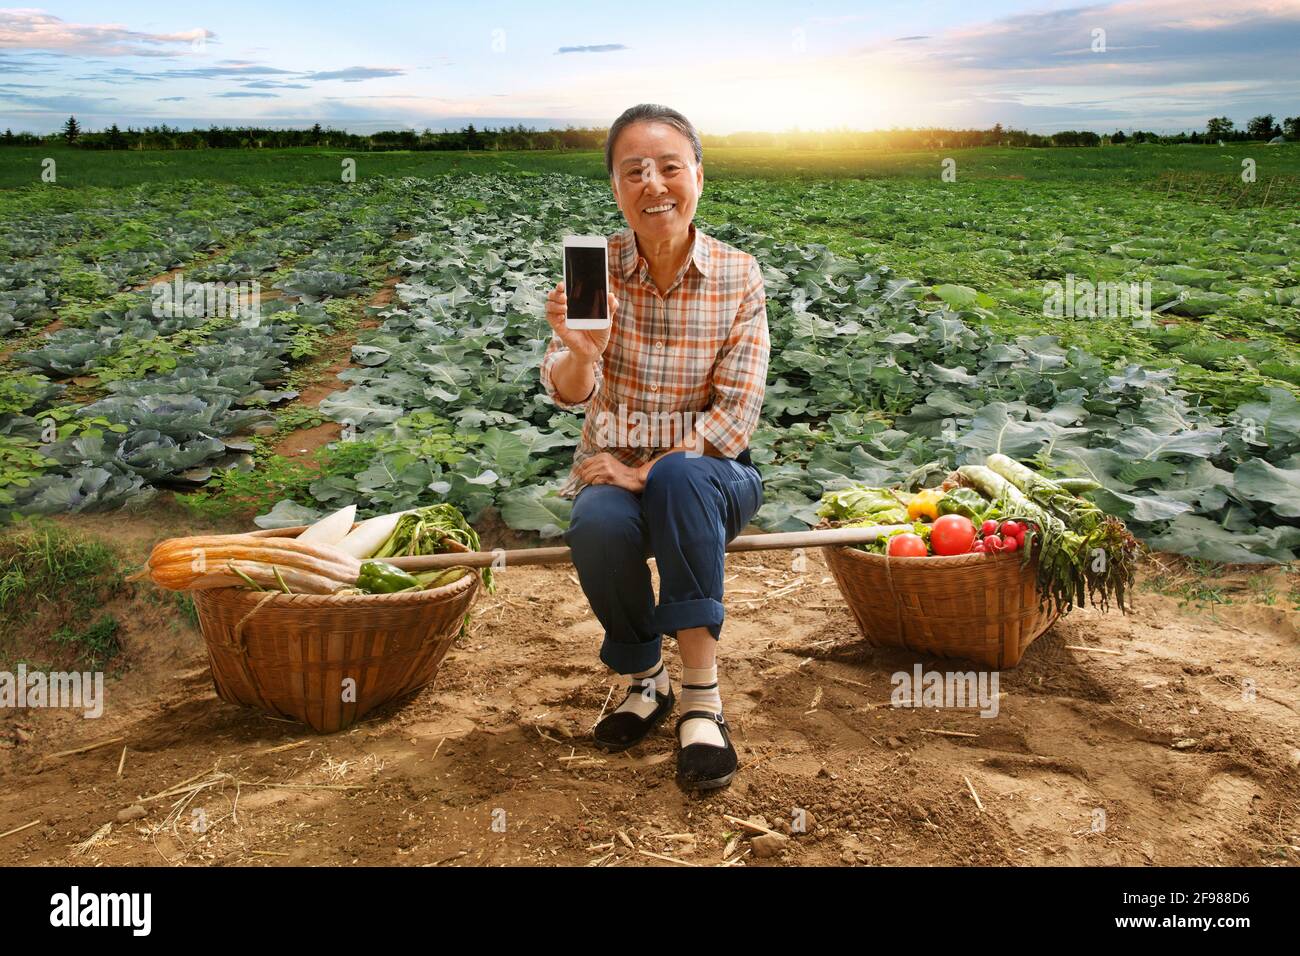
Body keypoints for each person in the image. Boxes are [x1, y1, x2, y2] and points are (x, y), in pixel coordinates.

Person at [539, 103, 770, 790]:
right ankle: (648, 682)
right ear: (616, 187)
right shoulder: (596, 267)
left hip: (714, 476)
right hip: (614, 468)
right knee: (597, 521)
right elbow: (565, 391)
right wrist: (584, 352)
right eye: (633, 171)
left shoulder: (737, 275)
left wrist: (648, 471)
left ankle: (703, 699)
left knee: (678, 481)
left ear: (697, 175)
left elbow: (734, 421)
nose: (654, 184)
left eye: (670, 167)